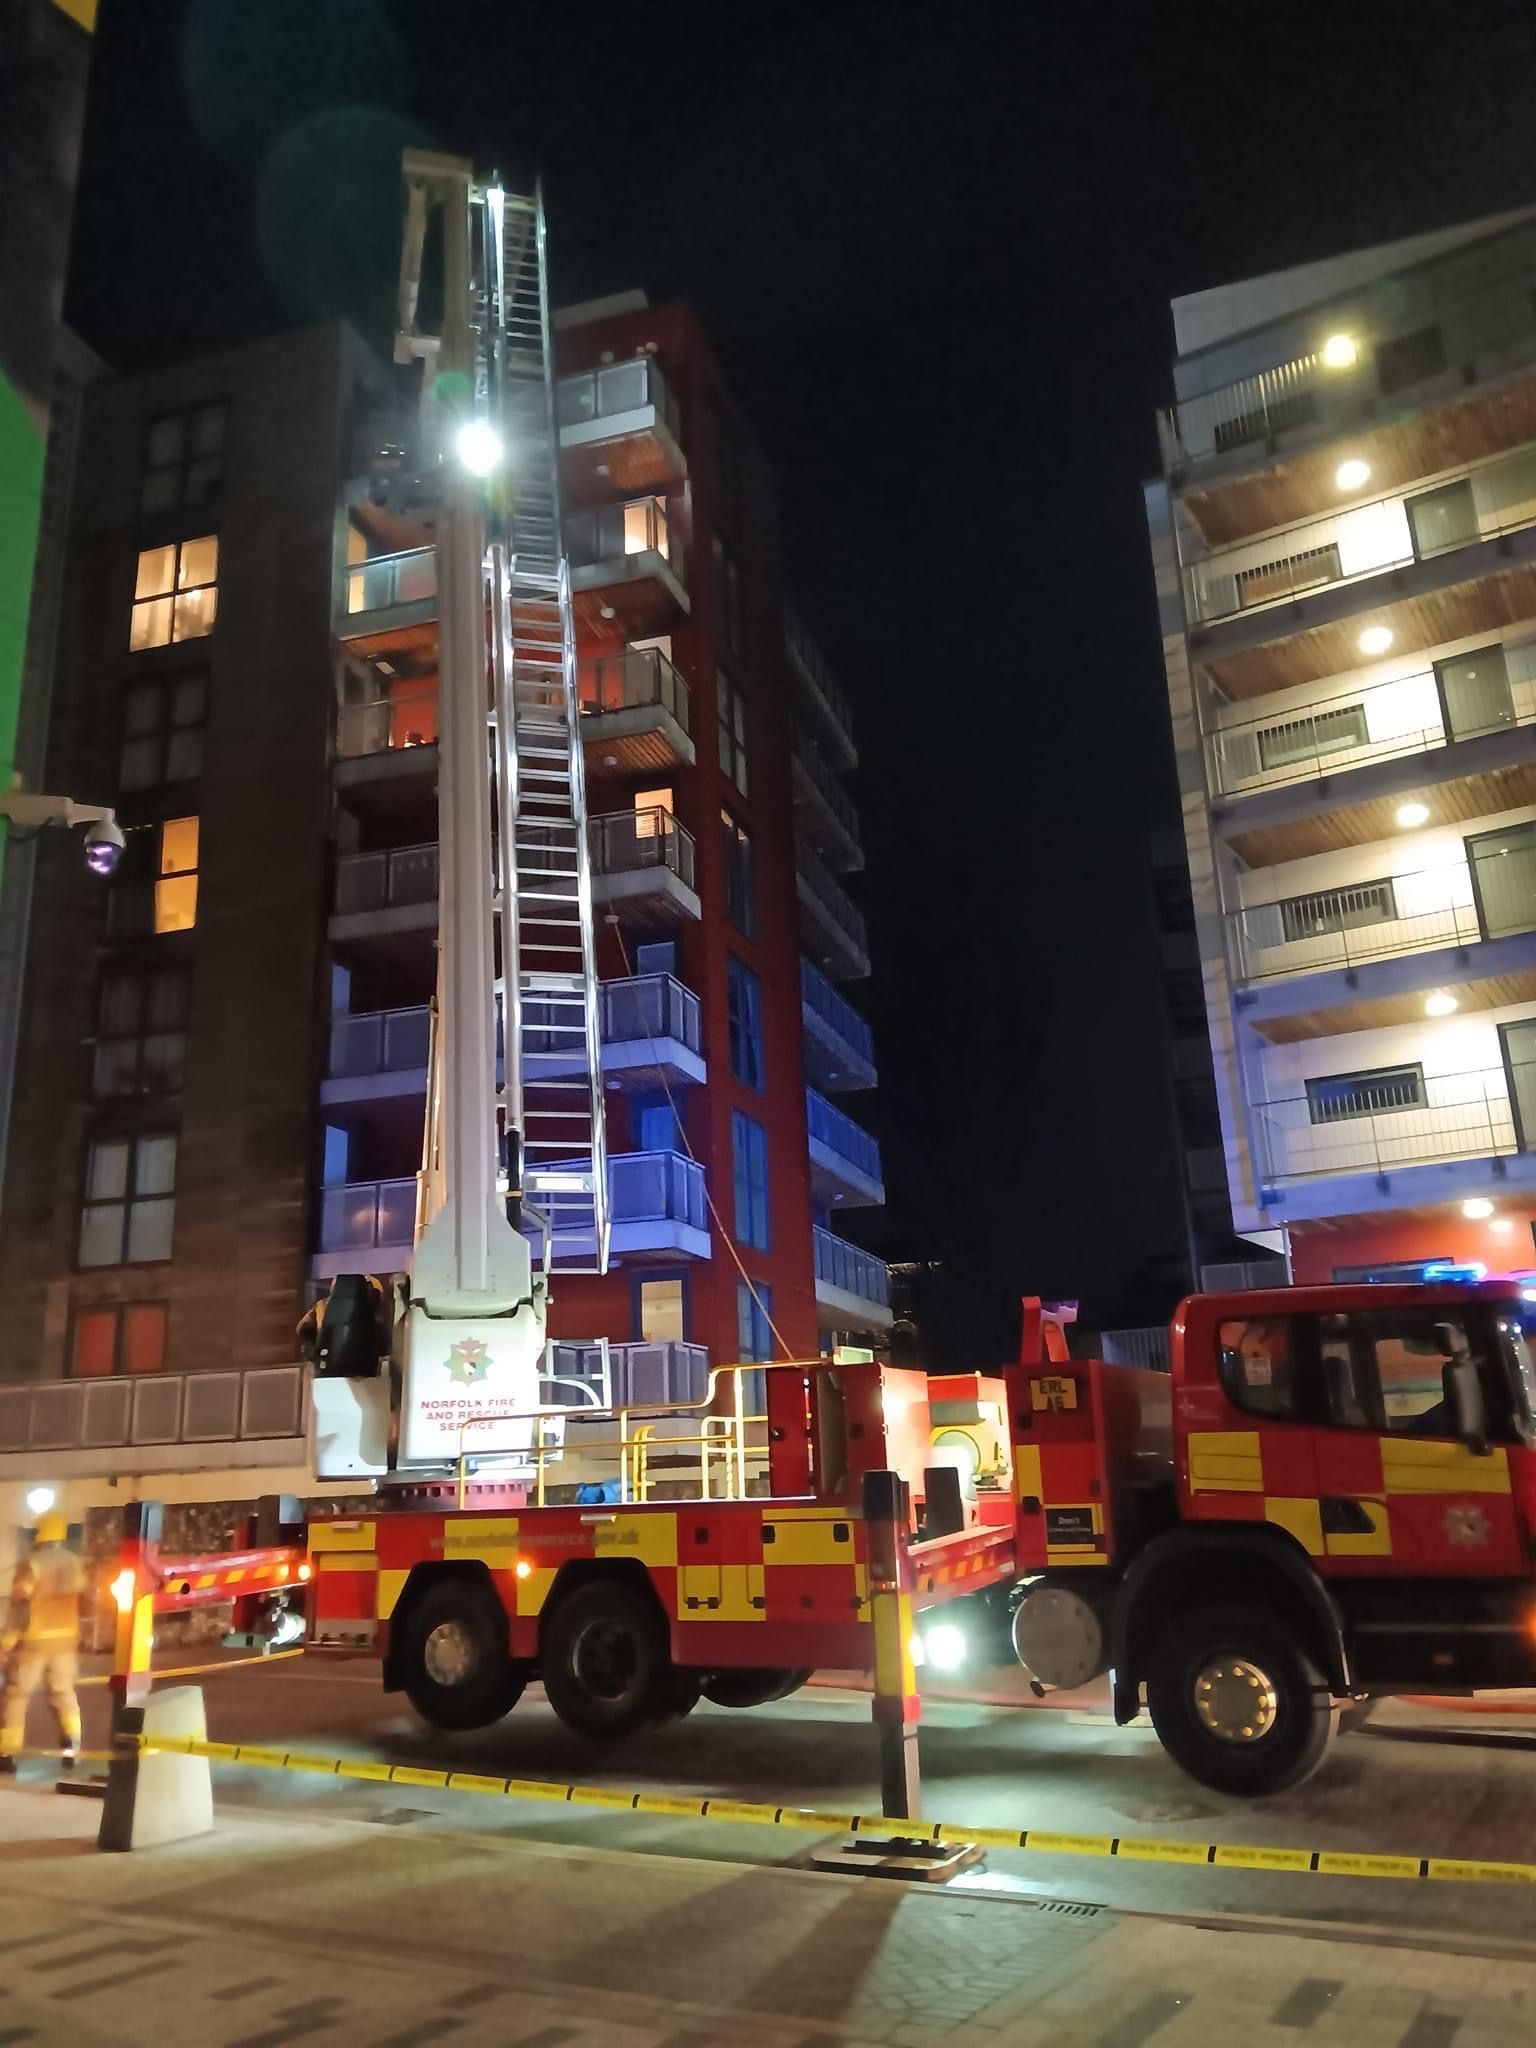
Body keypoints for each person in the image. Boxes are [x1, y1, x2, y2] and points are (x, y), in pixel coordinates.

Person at [0, 1510, 85, 1774]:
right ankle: (72, 1744)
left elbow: (21, 1606)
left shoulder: (32, 1565)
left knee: (17, 1694)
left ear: (40, 1535)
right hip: (66, 1640)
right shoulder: (75, 1563)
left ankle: (7, 1752)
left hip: (34, 1641)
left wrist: (7, 1641)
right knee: (63, 1692)